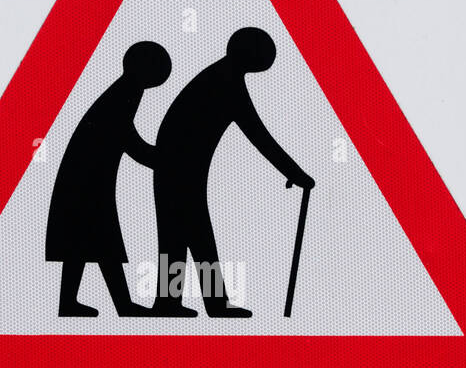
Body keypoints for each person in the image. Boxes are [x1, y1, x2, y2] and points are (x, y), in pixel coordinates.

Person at [150, 27, 314, 317]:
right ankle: (204, 303)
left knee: (179, 236)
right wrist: (297, 174)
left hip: (176, 168)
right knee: (195, 236)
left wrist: (295, 173)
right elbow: (259, 135)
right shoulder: (227, 83)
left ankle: (171, 302)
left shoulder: (219, 75)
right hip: (182, 170)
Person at [45, 41, 171, 316]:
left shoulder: (125, 89)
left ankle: (80, 304)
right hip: (89, 178)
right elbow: (128, 138)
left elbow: (125, 136)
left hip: (89, 175)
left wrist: (155, 157)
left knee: (91, 241)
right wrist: (163, 160)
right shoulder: (126, 93)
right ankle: (115, 306)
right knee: (99, 239)